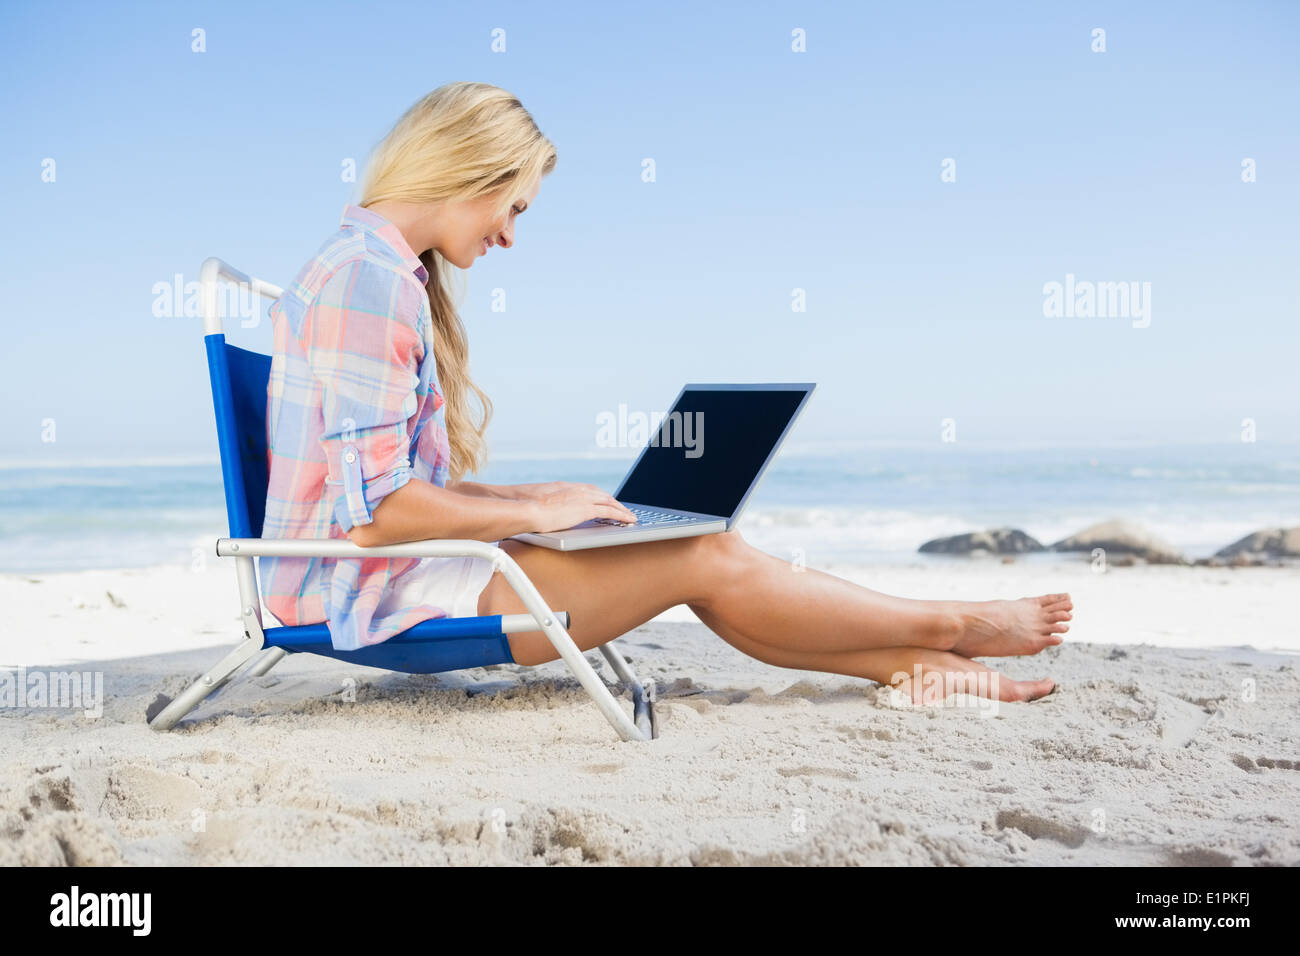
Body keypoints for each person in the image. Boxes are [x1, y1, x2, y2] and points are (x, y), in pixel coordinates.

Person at [262, 81, 1070, 705]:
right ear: (471, 169)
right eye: (514, 205)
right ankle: (953, 625)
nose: (510, 233)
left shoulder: (376, 271)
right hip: (368, 591)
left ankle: (920, 663)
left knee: (706, 555)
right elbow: (374, 517)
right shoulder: (367, 280)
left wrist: (534, 495)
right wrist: (531, 515)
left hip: (405, 571)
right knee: (704, 552)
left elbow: (390, 491)